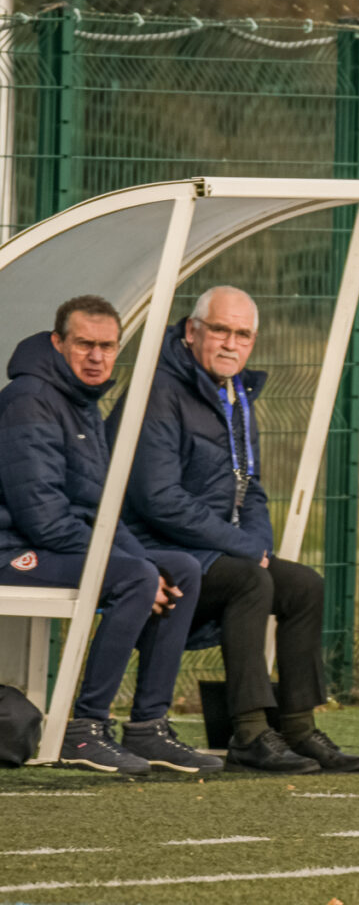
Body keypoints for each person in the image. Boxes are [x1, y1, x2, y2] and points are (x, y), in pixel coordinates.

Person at [112, 287, 359, 774]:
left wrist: (259, 546)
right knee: (251, 580)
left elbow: (248, 486)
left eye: (244, 334)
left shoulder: (235, 393)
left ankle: (296, 726)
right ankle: (249, 732)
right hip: (156, 553)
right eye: (221, 330)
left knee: (304, 585)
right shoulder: (158, 391)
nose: (232, 344)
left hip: (213, 550)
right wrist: (245, 551)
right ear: (192, 332)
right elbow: (157, 498)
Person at [0, 296, 219, 775]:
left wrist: (149, 565)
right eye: (84, 345)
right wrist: (137, 569)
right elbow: (40, 516)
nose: (97, 357)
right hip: (14, 552)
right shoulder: (29, 399)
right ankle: (85, 730)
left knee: (179, 567)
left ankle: (148, 727)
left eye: (107, 346)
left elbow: (102, 511)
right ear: (58, 344)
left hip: (53, 543)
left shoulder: (80, 402)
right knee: (137, 578)